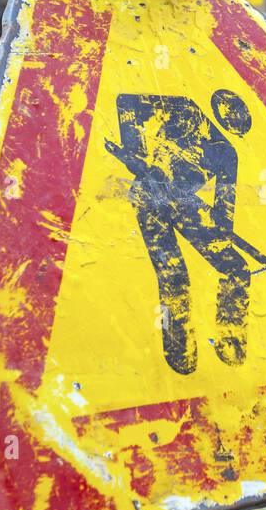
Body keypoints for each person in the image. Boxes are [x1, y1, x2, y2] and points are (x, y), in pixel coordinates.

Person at [106, 89, 254, 375]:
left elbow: (225, 213)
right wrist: (138, 156)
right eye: (228, 113)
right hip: (149, 196)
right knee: (174, 275)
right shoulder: (184, 109)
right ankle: (179, 353)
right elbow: (126, 102)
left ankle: (231, 344)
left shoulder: (227, 154)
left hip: (186, 205)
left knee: (237, 268)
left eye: (235, 118)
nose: (229, 121)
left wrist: (220, 229)